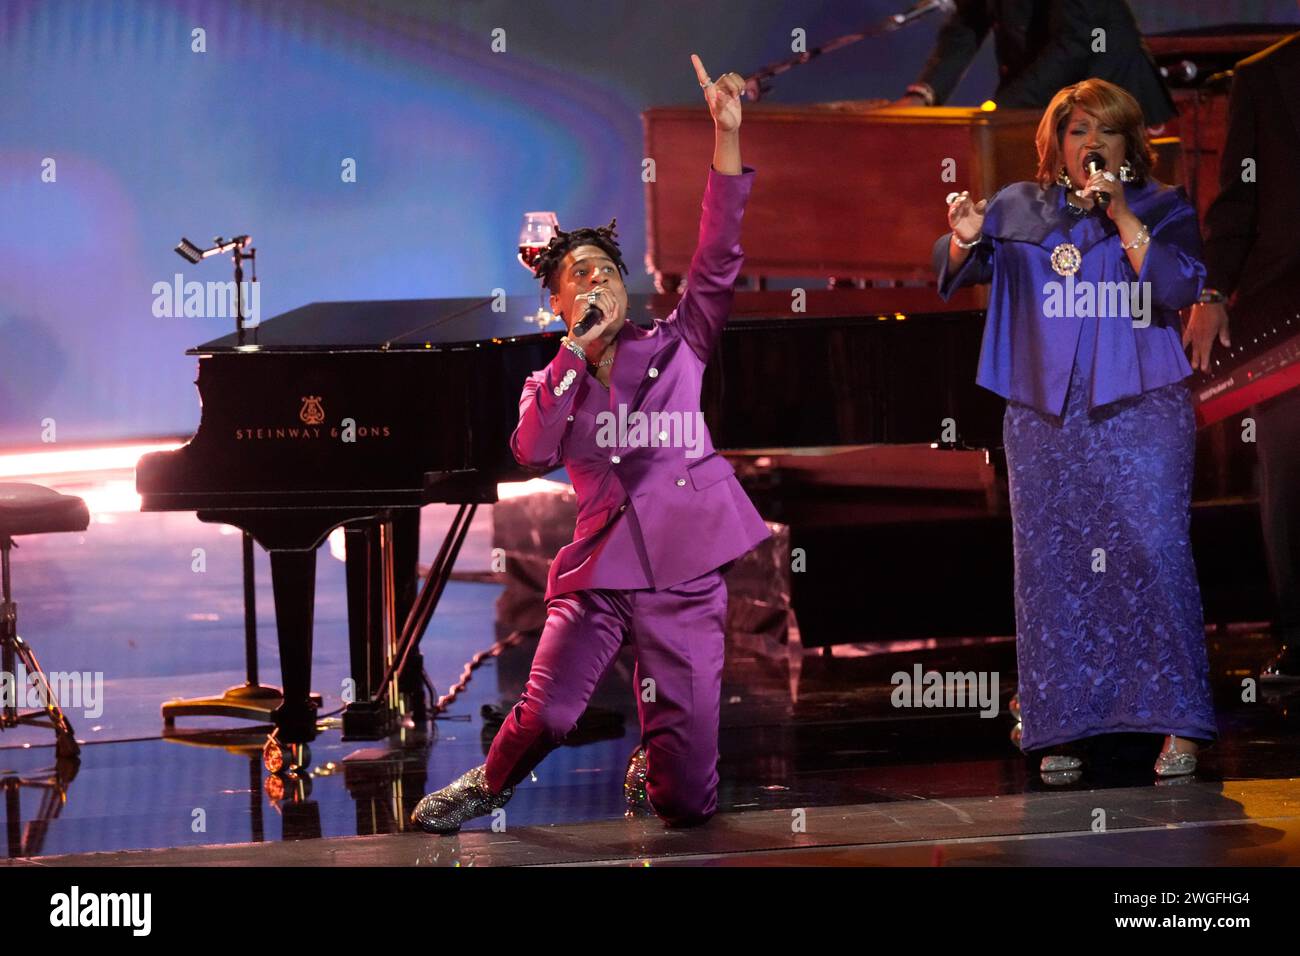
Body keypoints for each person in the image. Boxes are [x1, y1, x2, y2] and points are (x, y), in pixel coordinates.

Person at [411, 55, 770, 833]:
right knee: (552, 710)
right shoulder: (552, 378)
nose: (599, 279)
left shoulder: (680, 343)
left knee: (687, 806)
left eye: (607, 268)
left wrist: (726, 135)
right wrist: (574, 356)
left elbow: (717, 254)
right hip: (600, 570)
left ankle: (659, 764)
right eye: (580, 273)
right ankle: (491, 782)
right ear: (559, 303)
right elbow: (533, 450)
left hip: (686, 573)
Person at [936, 78, 1216, 778]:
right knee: (1052, 570)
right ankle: (1057, 721)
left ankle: (1176, 721)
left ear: (1129, 145)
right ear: (1055, 144)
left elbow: (1180, 288)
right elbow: (955, 269)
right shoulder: (1017, 207)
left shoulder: (1163, 205)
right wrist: (964, 239)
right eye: (1075, 131)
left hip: (1140, 412)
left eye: (1105, 133)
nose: (1089, 144)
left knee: (1154, 556)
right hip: (1044, 420)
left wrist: (1122, 216)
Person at [1185, 30, 1300, 683]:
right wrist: (1212, 290)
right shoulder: (1263, 76)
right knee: (1288, 477)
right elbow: (1237, 204)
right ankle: (1298, 640)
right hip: (1286, 314)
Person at [898, 0, 1175, 127]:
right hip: (1047, 102)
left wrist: (1002, 109)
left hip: (1110, 102)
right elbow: (967, 24)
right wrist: (924, 94)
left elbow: (1076, 43)